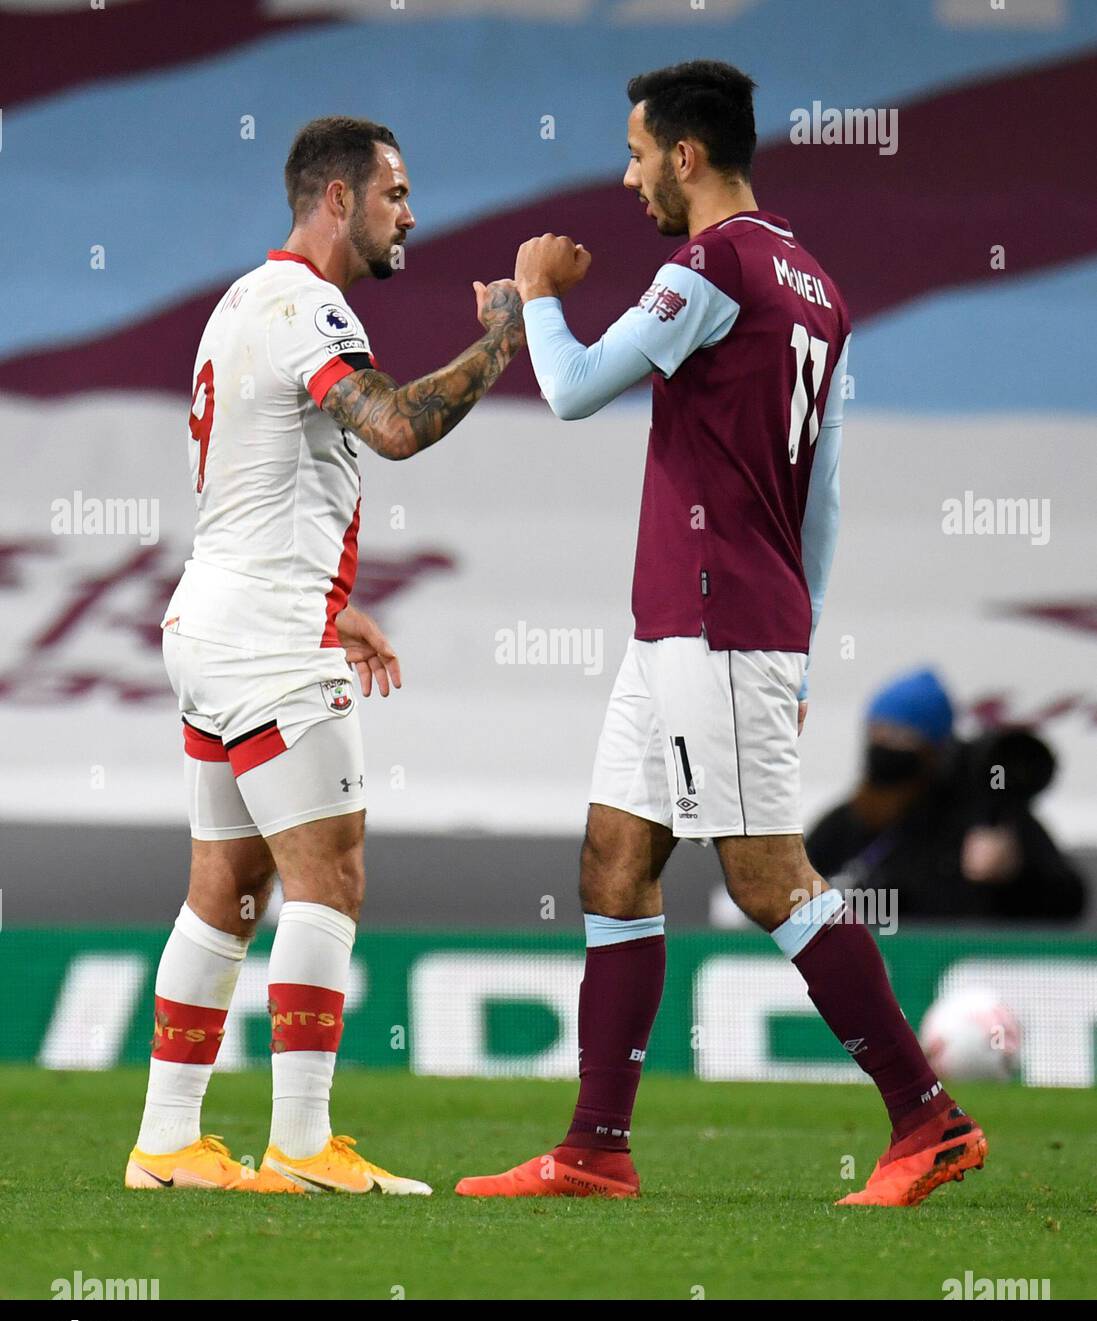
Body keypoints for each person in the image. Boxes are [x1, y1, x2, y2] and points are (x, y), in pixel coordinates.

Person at [456, 61, 986, 1205]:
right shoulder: (817, 286)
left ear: (685, 156)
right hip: (698, 623)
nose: (629, 171)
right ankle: (596, 1145)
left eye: (638, 151)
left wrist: (534, 295)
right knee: (613, 857)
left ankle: (925, 1117)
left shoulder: (710, 264)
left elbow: (574, 388)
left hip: (716, 613)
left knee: (761, 872)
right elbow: (826, 494)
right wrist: (801, 635)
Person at [125, 115, 525, 1194]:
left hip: (211, 625)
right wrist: (505, 333)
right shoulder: (309, 304)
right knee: (330, 875)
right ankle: (301, 1145)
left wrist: (328, 601)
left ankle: (167, 1142)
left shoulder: (238, 302)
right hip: (263, 640)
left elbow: (254, 475)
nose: (411, 214)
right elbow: (392, 425)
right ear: (338, 199)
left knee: (225, 885)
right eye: (396, 192)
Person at [808, 668, 1087, 922]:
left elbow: (1068, 902)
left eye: (901, 736)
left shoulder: (988, 818)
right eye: (877, 733)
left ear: (935, 747)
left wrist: (1014, 877)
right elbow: (792, 889)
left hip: (964, 970)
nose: (885, 746)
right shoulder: (847, 822)